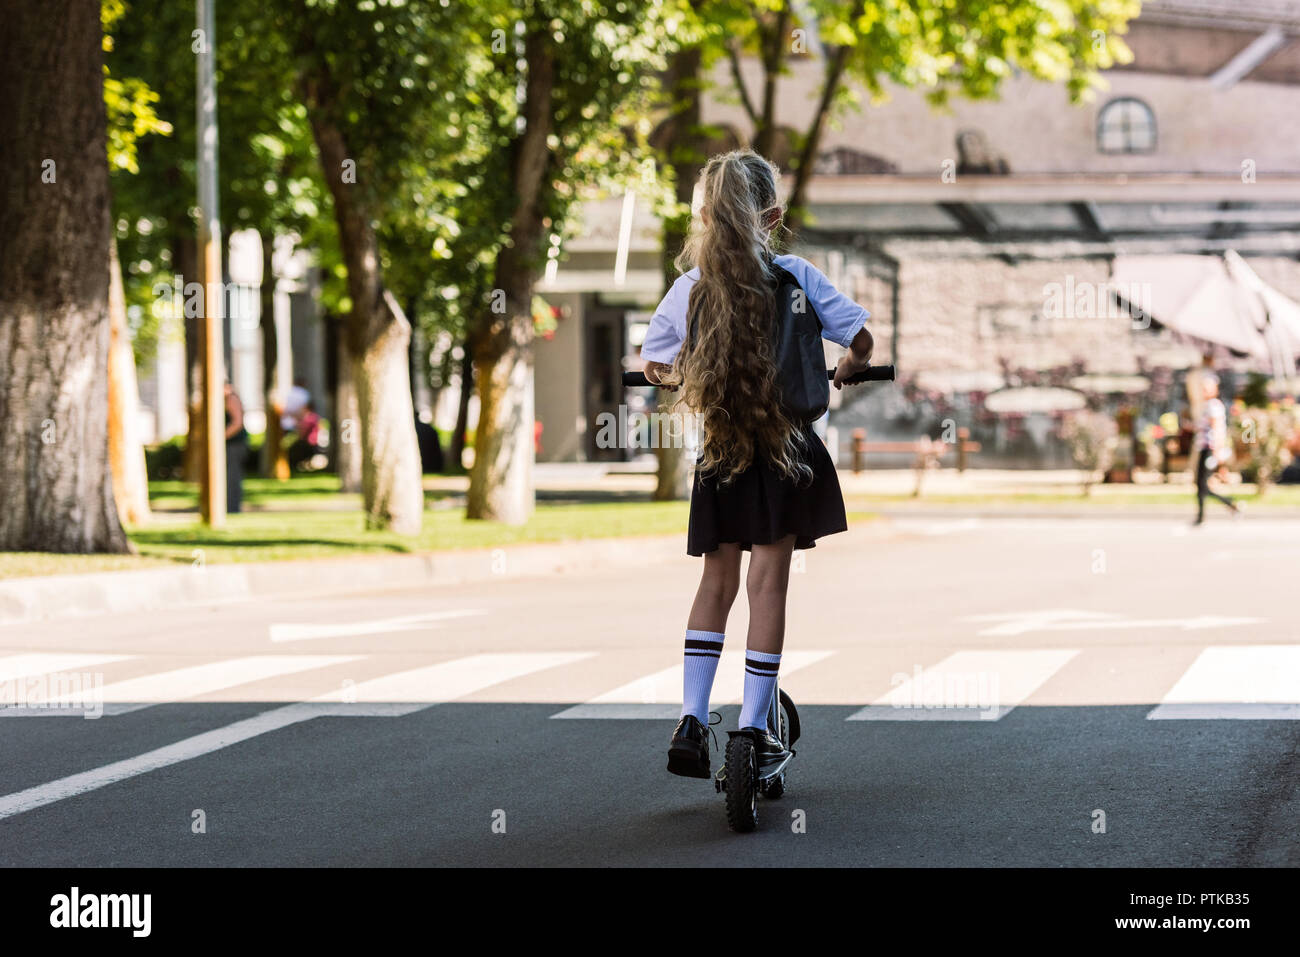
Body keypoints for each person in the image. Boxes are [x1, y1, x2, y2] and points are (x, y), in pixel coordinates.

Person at [639, 149, 874, 779]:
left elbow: (654, 363)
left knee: (715, 583)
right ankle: (751, 728)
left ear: (708, 218)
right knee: (766, 586)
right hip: (787, 452)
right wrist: (848, 368)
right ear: (772, 214)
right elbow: (860, 339)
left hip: (721, 454)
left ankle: (691, 718)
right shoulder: (795, 274)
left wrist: (683, 372)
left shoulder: (689, 288)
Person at [1191, 372, 1238, 525]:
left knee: (1202, 484)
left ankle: (1229, 505)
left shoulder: (1214, 406)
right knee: (1201, 485)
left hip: (1209, 449)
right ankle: (1205, 514)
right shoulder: (1208, 406)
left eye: (1206, 388)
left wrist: (1218, 453)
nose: (1203, 392)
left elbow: (1217, 429)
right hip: (1204, 448)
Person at [224, 381, 247, 514]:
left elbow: (237, 423)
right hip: (230, 444)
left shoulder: (231, 399)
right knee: (228, 477)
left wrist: (220, 437)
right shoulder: (224, 400)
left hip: (235, 444)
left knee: (233, 476)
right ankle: (228, 506)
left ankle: (233, 507)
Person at [288, 400, 323, 472]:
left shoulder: (310, 418)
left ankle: (294, 465)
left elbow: (302, 430)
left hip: (309, 442)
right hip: (310, 442)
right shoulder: (313, 417)